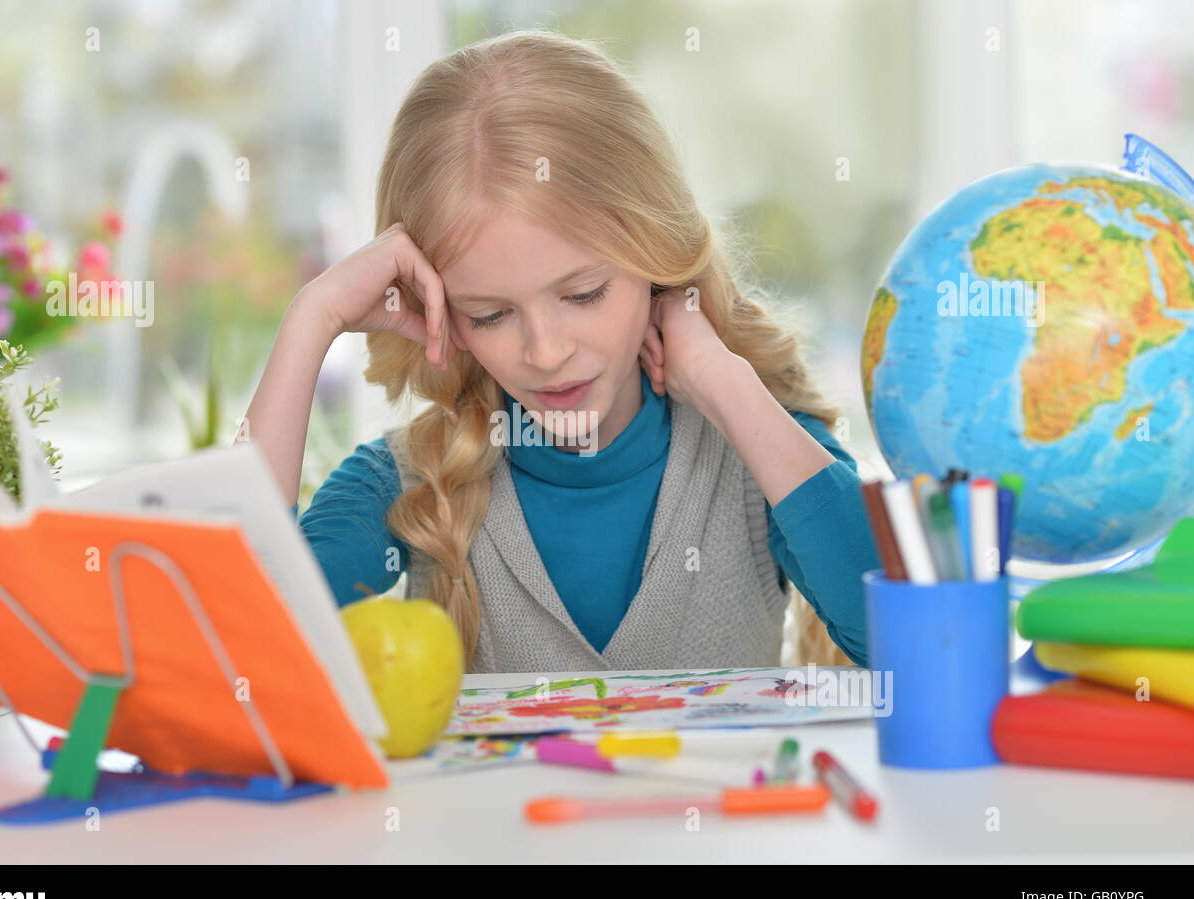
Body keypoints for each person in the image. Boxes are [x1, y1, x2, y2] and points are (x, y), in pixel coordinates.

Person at [242, 28, 880, 673]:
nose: (545, 353)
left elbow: (906, 642)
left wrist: (725, 381)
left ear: (656, 262)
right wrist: (311, 320)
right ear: (436, 308)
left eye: (584, 294)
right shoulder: (409, 484)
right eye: (489, 314)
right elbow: (242, 643)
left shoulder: (756, 455)